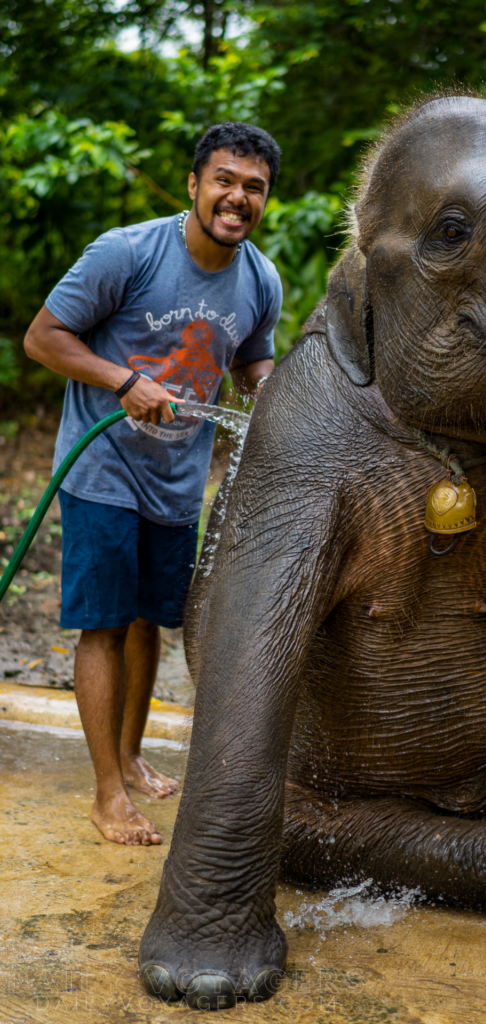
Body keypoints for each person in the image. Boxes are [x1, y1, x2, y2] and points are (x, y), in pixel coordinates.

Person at [23, 122, 282, 847]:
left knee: (150, 622)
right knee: (104, 624)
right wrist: (122, 380)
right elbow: (43, 338)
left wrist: (269, 390)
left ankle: (131, 755)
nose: (237, 197)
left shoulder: (260, 279)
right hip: (101, 467)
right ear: (196, 184)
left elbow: (251, 360)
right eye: (224, 180)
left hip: (177, 479)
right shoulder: (128, 252)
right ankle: (107, 792)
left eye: (254, 187)